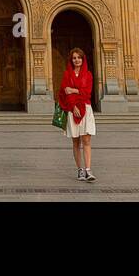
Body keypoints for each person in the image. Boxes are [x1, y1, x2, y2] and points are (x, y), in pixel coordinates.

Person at [58, 47, 96, 182]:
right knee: (75, 141)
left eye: (79, 57)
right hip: (72, 109)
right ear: (71, 60)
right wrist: (73, 106)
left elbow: (87, 92)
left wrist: (73, 90)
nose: (77, 60)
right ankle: (80, 169)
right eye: (74, 58)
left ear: (83, 59)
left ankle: (88, 169)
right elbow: (64, 92)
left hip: (85, 109)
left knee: (86, 140)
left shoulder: (88, 75)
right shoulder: (67, 74)